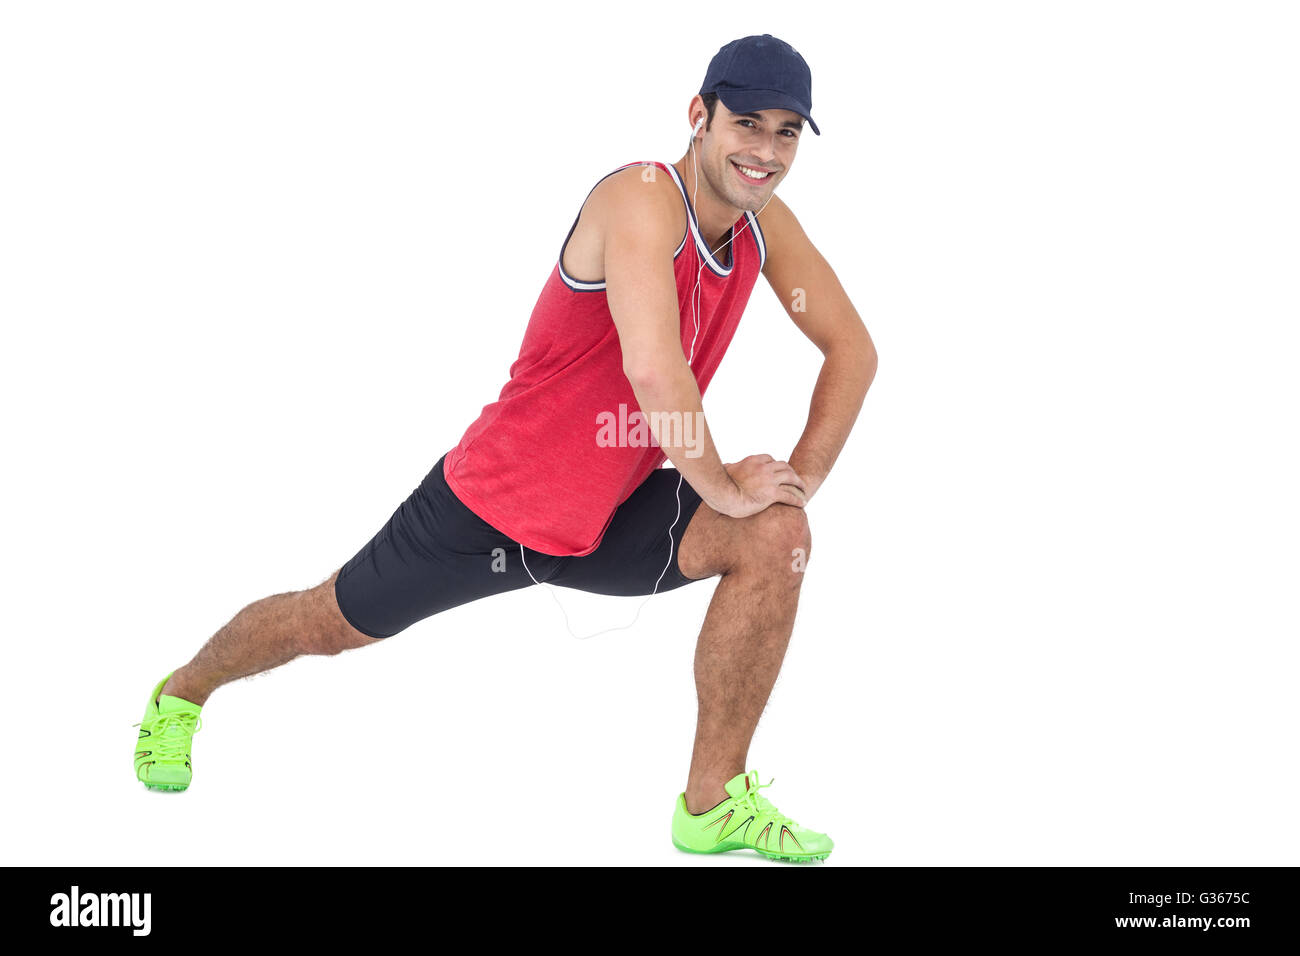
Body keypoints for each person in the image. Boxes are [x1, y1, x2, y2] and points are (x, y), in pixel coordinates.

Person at [133, 34, 877, 863]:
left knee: (777, 537)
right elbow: (654, 371)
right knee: (325, 622)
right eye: (747, 122)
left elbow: (853, 350)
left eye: (786, 133)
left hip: (611, 517)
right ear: (698, 116)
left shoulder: (766, 226)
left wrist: (791, 485)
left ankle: (711, 806)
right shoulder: (640, 200)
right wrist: (726, 486)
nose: (765, 151)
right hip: (489, 510)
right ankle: (182, 695)